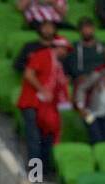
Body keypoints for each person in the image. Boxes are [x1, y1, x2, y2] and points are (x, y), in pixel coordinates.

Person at [18, 36, 69, 170]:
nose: (65, 53)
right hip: (31, 102)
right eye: (64, 49)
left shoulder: (58, 65)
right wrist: (42, 89)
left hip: (45, 107)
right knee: (34, 139)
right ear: (57, 47)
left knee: (46, 138)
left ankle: (44, 171)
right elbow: (28, 74)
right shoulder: (42, 55)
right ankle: (36, 173)